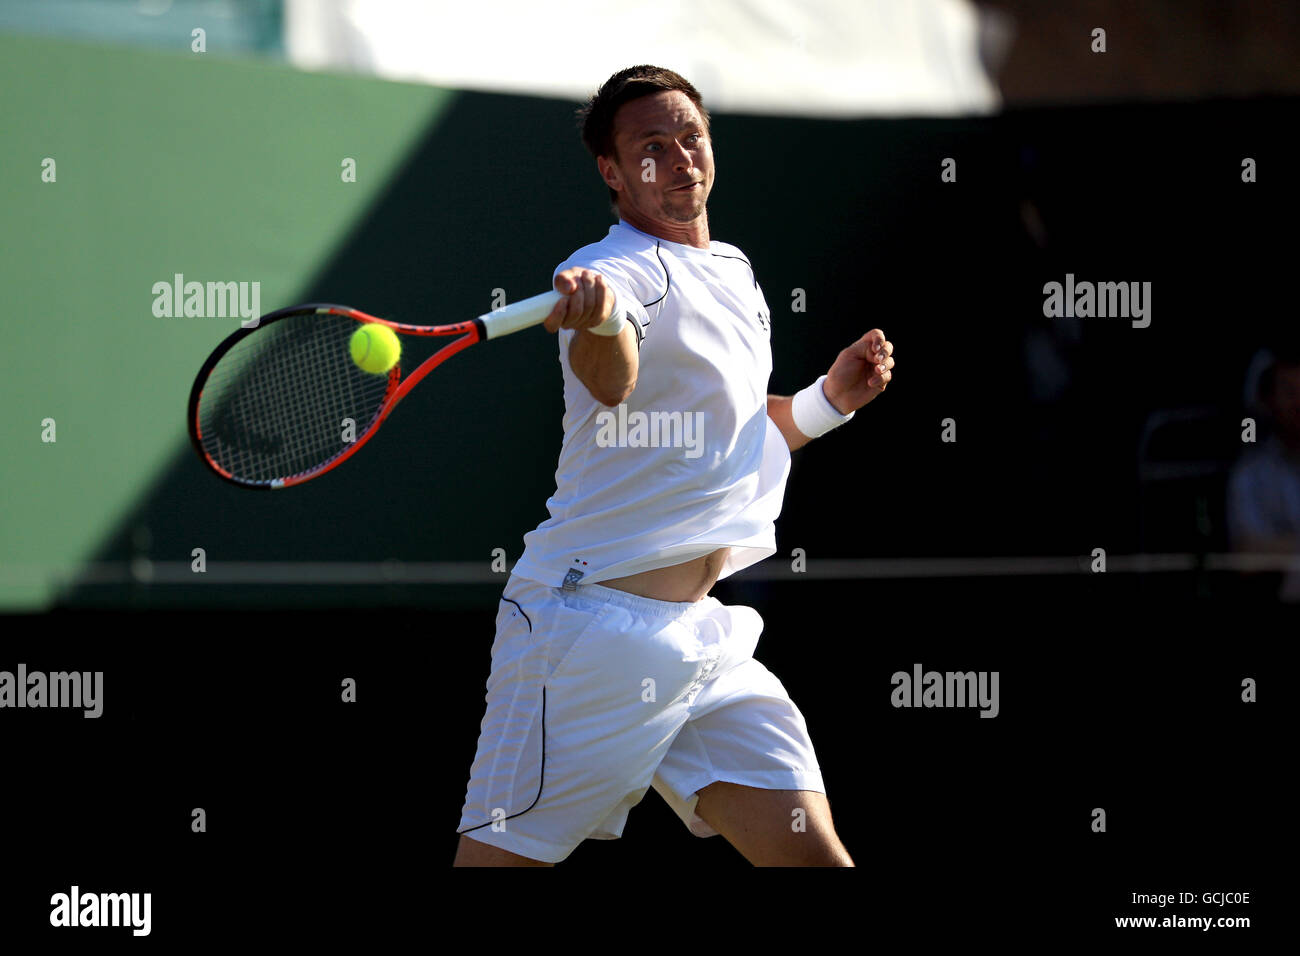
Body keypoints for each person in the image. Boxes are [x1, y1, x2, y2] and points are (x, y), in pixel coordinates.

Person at [454, 65, 894, 866]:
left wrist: (829, 401)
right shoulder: (611, 272)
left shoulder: (733, 271)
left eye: (691, 137)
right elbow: (612, 378)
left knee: (812, 855)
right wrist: (595, 320)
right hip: (582, 636)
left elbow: (731, 436)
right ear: (613, 173)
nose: (680, 158)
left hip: (702, 640)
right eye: (651, 147)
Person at [1227, 343, 1300, 600]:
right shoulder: (1250, 474)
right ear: (1268, 400)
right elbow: (1247, 556)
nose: (1298, 403)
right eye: (1289, 391)